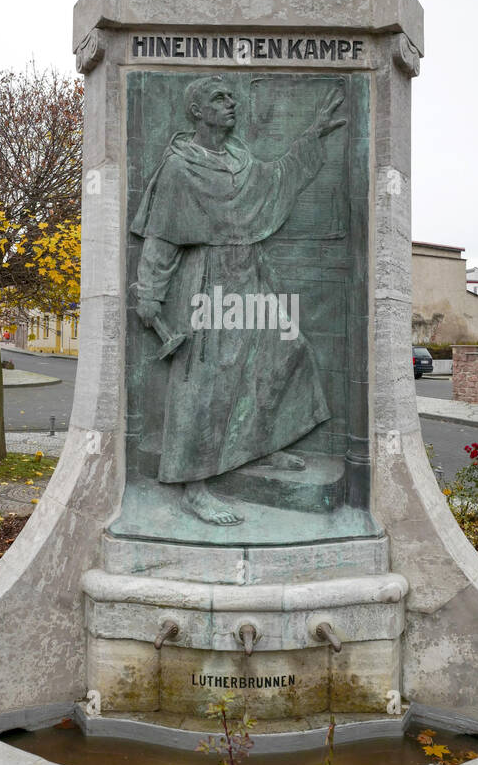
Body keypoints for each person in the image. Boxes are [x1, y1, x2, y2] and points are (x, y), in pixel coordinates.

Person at [132, 76, 345, 526]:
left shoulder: (240, 160)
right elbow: (160, 238)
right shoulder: (179, 168)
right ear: (197, 111)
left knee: (284, 353)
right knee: (206, 382)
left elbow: (280, 177)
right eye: (219, 98)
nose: (231, 104)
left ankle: (260, 446)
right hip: (207, 280)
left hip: (250, 272)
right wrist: (149, 294)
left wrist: (314, 134)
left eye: (231, 97)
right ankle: (195, 486)